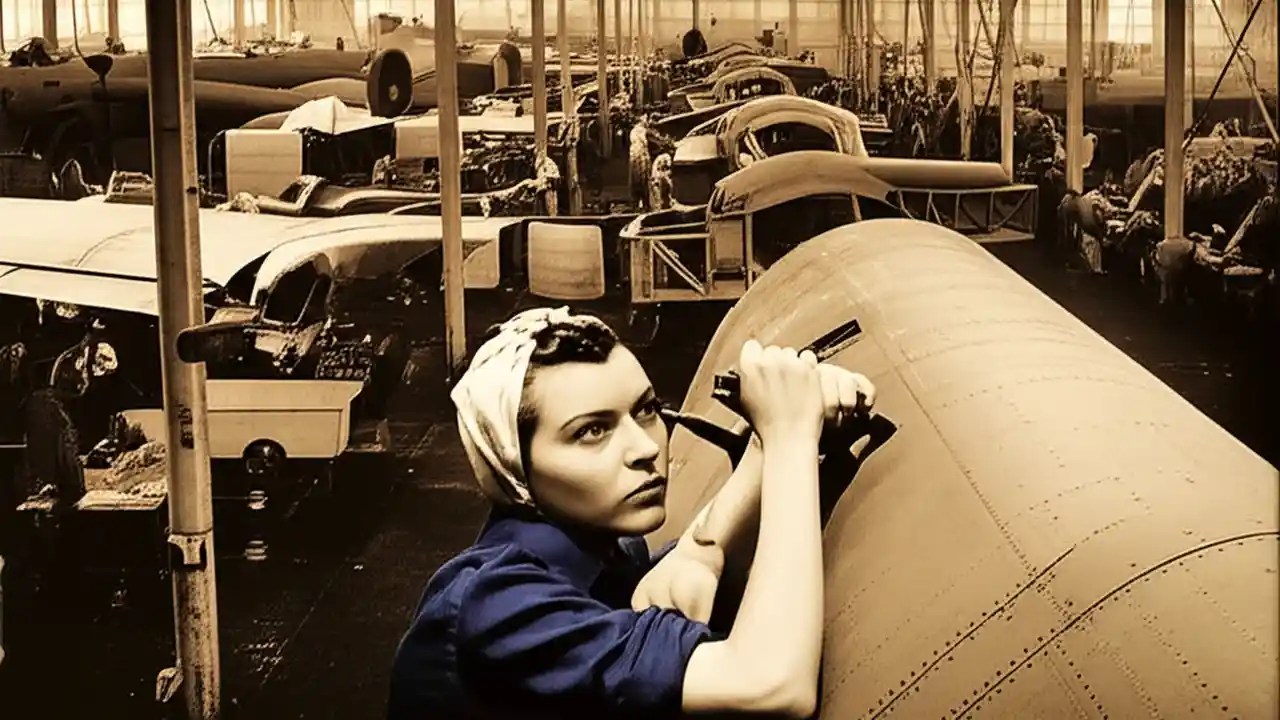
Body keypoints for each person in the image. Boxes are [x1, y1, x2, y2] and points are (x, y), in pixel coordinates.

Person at [387, 306, 875, 719]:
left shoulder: (594, 551)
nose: (645, 447)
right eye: (592, 431)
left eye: (645, 410)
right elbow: (770, 684)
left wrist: (775, 436)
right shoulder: (498, 604)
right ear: (514, 464)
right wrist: (791, 437)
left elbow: (693, 556)